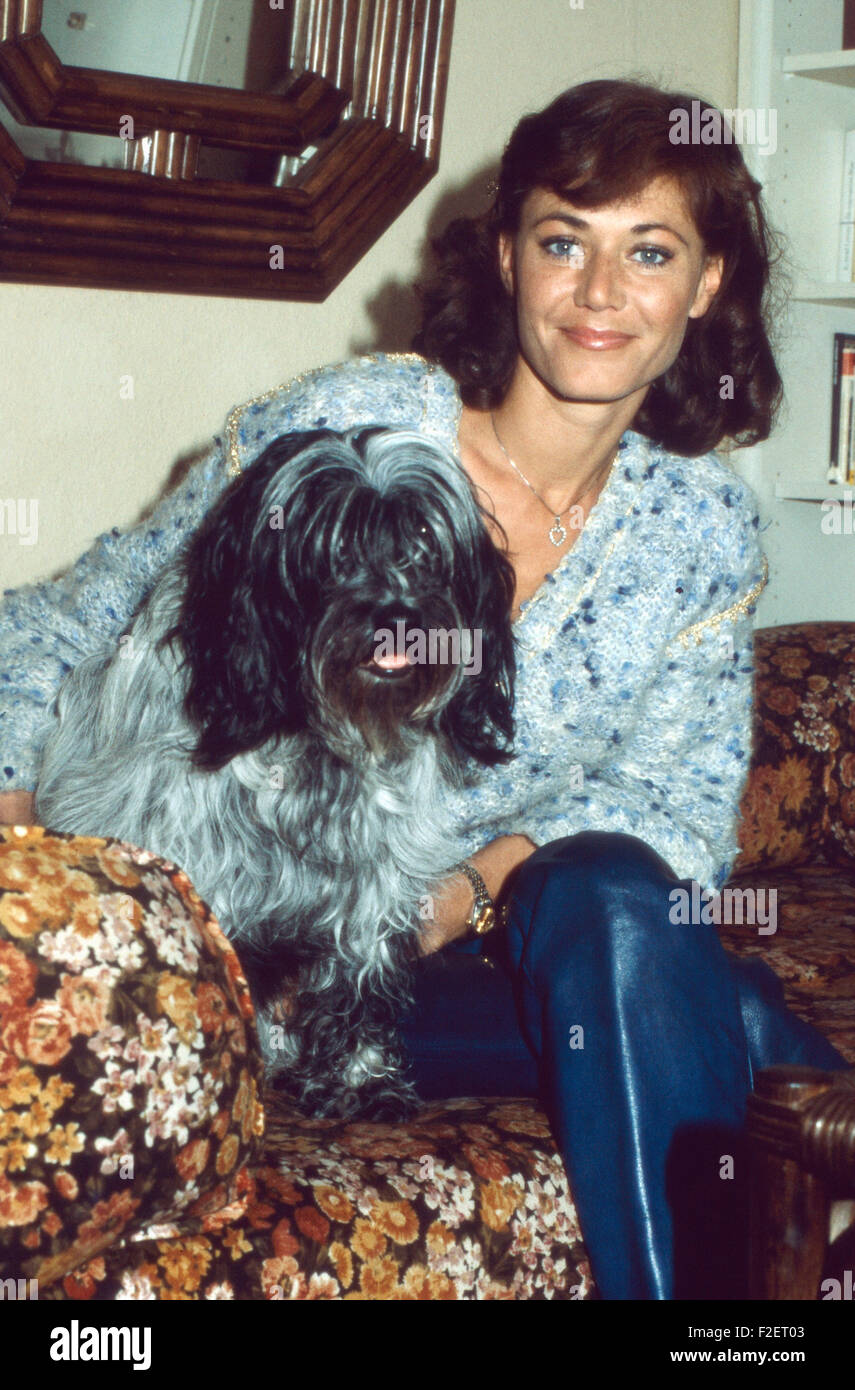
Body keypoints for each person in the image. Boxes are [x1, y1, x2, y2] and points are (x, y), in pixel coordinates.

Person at [0, 78, 846, 1300]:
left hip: (435, 976)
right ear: (507, 257)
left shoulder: (701, 528)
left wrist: (460, 892)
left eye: (650, 252)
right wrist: (34, 878)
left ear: (707, 284)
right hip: (252, 968)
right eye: (565, 242)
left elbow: (678, 818)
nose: (602, 295)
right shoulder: (350, 433)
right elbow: (63, 622)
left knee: (620, 895)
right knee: (708, 996)